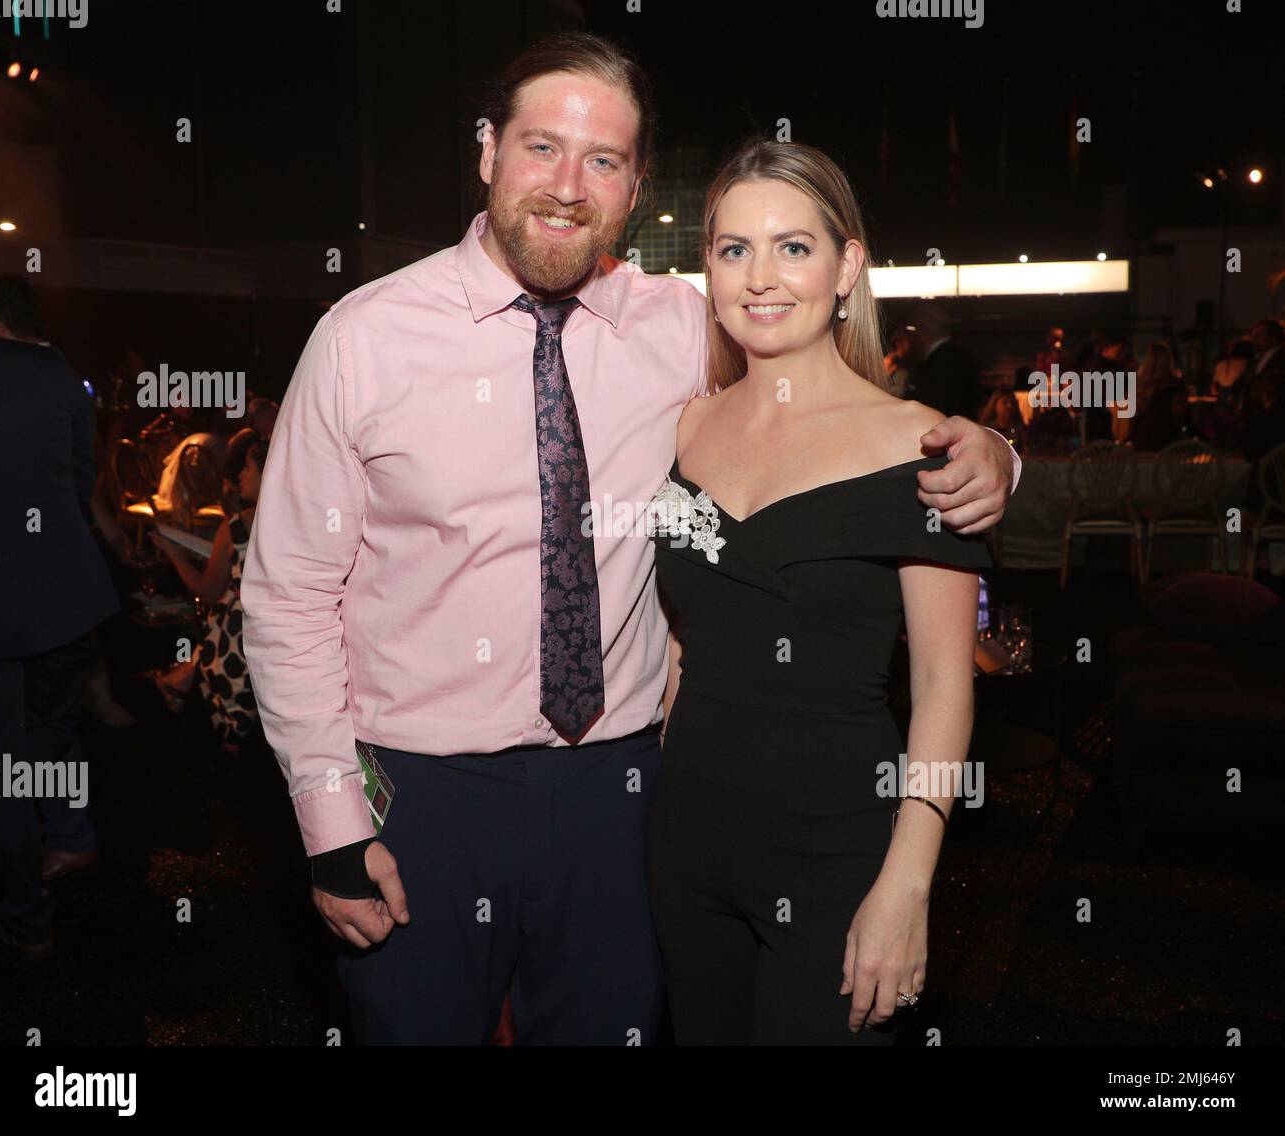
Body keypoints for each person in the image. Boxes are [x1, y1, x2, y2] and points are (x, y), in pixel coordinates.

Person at [240, 31, 1020, 1047]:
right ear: (486, 152)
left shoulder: (677, 327)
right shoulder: (363, 337)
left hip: (625, 794)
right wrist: (331, 821)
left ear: (634, 185)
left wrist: (999, 453)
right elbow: (288, 591)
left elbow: (828, 424)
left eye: (603, 160)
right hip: (424, 793)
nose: (569, 186)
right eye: (541, 148)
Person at [646, 140, 989, 1045]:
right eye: (734, 249)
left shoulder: (921, 446)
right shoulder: (683, 427)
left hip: (840, 847)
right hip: (684, 840)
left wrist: (909, 883)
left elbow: (947, 687)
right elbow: (685, 640)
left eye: (794, 247)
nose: (762, 277)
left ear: (849, 267)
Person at [0, 276, 120, 959]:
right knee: (52, 728)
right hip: (68, 597)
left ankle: (27, 918)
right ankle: (71, 837)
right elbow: (81, 477)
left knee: (0, 766)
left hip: (1, 613)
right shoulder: (59, 371)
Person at [148, 438, 265, 751]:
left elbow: (206, 591)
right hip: (288, 628)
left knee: (223, 609)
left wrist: (173, 552)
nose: (241, 474)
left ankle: (225, 734)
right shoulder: (304, 516)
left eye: (248, 468)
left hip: (245, 638)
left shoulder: (240, 526)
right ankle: (179, 680)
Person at [904, 303, 982, 419]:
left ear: (924, 331)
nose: (909, 335)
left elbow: (930, 407)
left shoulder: (933, 365)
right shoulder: (964, 356)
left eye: (913, 328)